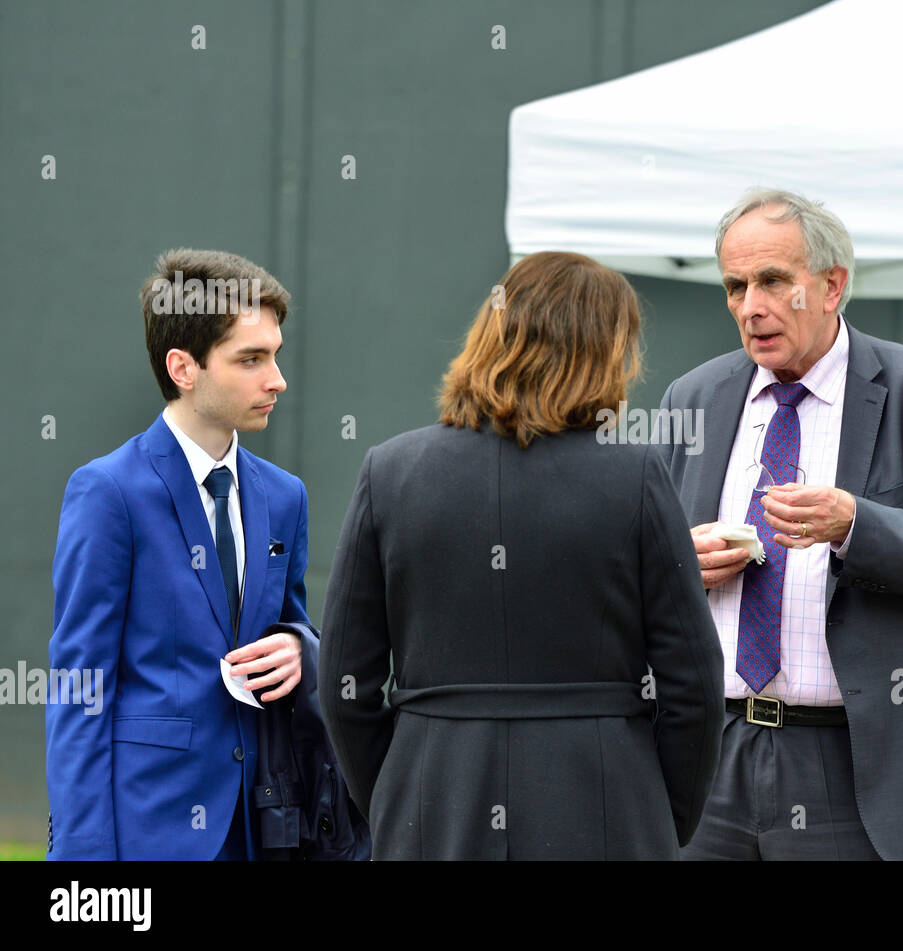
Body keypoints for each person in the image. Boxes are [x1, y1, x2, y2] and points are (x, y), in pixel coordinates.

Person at [319, 251, 724, 860]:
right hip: (606, 800)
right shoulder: (636, 476)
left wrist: (402, 794)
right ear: (603, 351)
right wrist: (656, 813)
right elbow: (692, 683)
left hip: (434, 800)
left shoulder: (392, 471)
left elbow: (345, 682)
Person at [656, 188, 903, 860]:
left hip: (856, 767)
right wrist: (679, 564)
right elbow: (644, 572)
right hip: (713, 757)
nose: (750, 306)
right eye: (734, 286)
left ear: (831, 286)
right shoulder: (692, 398)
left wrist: (855, 524)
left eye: (771, 281)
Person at [46, 249, 313, 860]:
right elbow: (79, 687)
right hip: (151, 834)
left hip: (268, 828)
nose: (276, 379)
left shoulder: (284, 496)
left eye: (276, 354)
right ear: (183, 368)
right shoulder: (108, 492)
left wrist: (302, 648)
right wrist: (84, 868)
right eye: (251, 359)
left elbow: (290, 624)